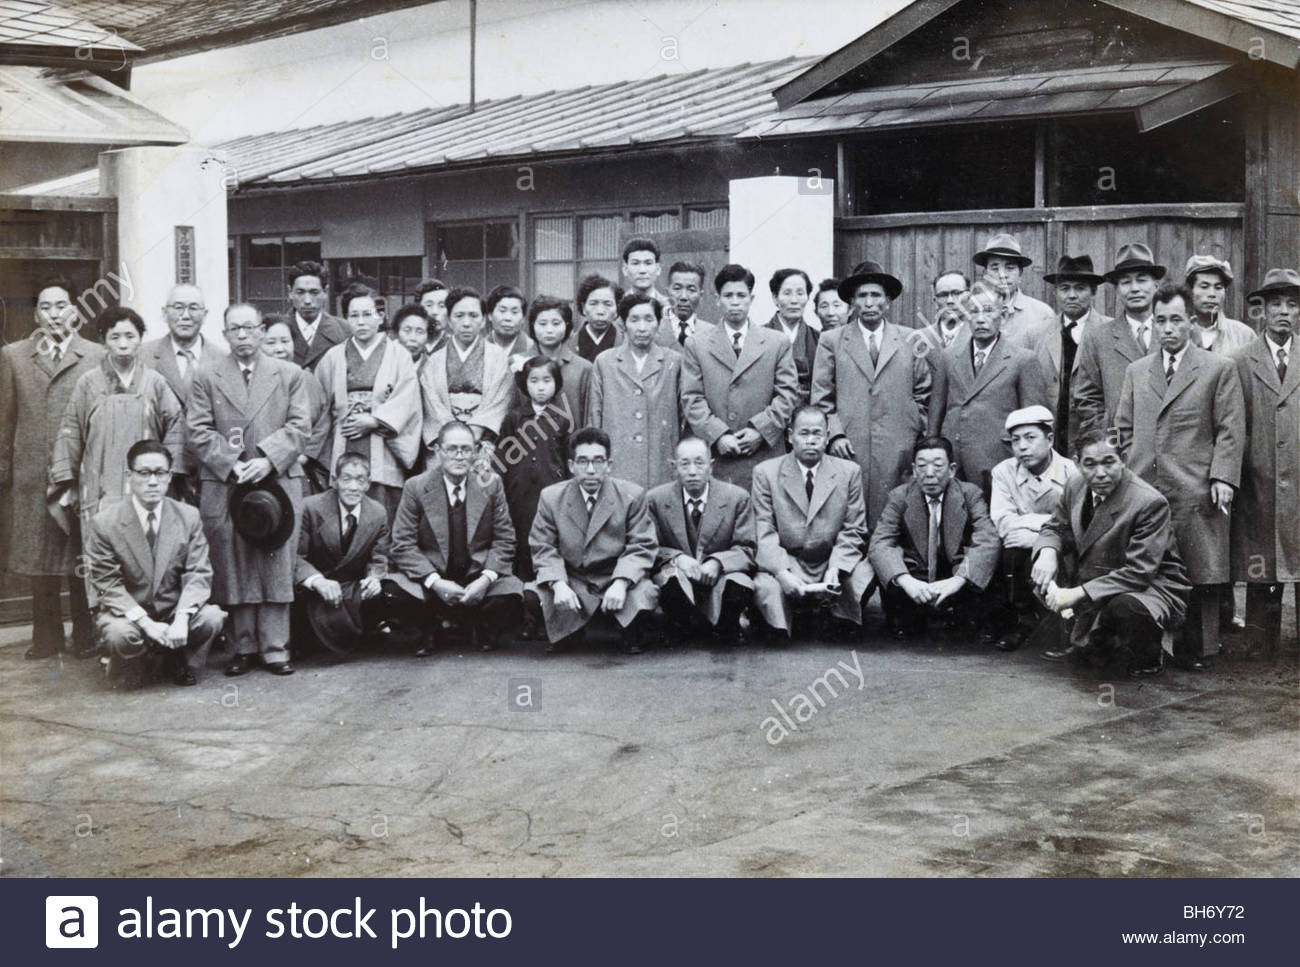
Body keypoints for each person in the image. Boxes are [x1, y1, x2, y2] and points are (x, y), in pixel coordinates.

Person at [1114, 282, 1245, 670]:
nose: (1167, 329)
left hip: (1195, 487)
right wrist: (1125, 477)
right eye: (1160, 322)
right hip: (1146, 488)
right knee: (1148, 565)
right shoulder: (1138, 371)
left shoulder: (1217, 368)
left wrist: (1222, 477)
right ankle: (1149, 646)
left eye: (1175, 320)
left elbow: (1230, 429)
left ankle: (1198, 648)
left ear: (1191, 321)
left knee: (1199, 568)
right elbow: (1122, 428)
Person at [187, 303, 312, 677]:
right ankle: (243, 647)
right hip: (228, 481)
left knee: (274, 561)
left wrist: (269, 459)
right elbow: (197, 430)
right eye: (234, 330)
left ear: (262, 331)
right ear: (224, 334)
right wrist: (232, 461)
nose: (242, 336)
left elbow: (301, 425)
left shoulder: (289, 374)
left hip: (277, 479)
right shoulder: (206, 377)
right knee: (234, 561)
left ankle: (276, 648)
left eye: (249, 328)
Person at [0, 276, 103, 659]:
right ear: (36, 314)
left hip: (78, 474)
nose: (54, 314)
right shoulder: (14, 356)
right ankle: (45, 637)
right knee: (39, 560)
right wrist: (5, 472)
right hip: (31, 475)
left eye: (61, 306)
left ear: (75, 311)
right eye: (46, 307)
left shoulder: (95, 355)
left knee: (81, 556)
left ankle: (86, 633)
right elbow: (5, 419)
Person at [1033, 430, 1190, 676]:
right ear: (1077, 463)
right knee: (1039, 566)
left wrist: (1077, 593)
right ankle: (1089, 639)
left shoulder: (1148, 502)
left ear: (1123, 459)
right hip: (1097, 575)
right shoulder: (1075, 484)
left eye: (1109, 462)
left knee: (1126, 609)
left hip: (1149, 585)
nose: (1101, 473)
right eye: (1090, 464)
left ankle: (1149, 653)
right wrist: (1047, 552)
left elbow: (1139, 572)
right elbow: (1055, 526)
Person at [84, 440, 226, 686]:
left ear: (170, 477)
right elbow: (108, 584)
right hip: (131, 614)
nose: (152, 482)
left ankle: (180, 660)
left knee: (212, 617)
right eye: (144, 473)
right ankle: (135, 665)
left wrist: (181, 619)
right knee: (119, 635)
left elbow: (198, 573)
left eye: (160, 473)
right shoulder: (105, 523)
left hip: (172, 611)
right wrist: (146, 623)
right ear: (129, 475)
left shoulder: (188, 516)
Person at [811, 260, 931, 529]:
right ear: (852, 302)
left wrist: (911, 430)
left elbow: (924, 393)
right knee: (848, 516)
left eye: (875, 295)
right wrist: (835, 434)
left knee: (895, 518)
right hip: (849, 447)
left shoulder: (911, 339)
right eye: (862, 296)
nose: (868, 303)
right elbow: (821, 397)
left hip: (897, 449)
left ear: (887, 301)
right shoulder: (832, 341)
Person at [389, 421, 524, 655]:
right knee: (394, 590)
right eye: (452, 449)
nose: (460, 456)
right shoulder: (416, 487)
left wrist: (485, 580)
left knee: (513, 593)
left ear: (475, 452)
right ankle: (431, 628)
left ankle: (476, 624)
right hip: (431, 580)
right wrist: (434, 582)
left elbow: (505, 540)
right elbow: (402, 544)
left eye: (466, 449)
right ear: (438, 451)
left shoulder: (491, 484)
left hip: (475, 578)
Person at [48, 307, 185, 534]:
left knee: (145, 551)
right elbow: (70, 431)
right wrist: (67, 481)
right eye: (115, 337)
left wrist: (165, 477)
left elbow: (176, 427)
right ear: (103, 341)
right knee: (101, 547)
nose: (123, 344)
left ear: (140, 339)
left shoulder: (155, 382)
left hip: (147, 483)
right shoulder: (88, 383)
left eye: (130, 336)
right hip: (98, 483)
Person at [527, 426, 659, 653]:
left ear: (609, 465)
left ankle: (628, 631)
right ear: (571, 466)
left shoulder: (632, 495)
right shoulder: (551, 497)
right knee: (533, 595)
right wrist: (558, 583)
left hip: (615, 578)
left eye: (598, 461)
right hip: (574, 579)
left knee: (644, 593)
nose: (590, 470)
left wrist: (621, 582)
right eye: (582, 462)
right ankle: (572, 630)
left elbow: (642, 545)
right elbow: (542, 546)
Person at [750, 406, 874, 636]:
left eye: (817, 434)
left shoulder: (849, 472)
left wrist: (836, 567)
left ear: (827, 437)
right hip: (787, 559)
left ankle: (835, 618)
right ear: (790, 436)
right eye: (803, 433)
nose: (810, 441)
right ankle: (787, 618)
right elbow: (762, 530)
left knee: (864, 573)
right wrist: (782, 571)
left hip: (830, 561)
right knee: (765, 585)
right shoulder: (765, 472)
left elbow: (854, 529)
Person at [867, 436, 1000, 640]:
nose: (929, 474)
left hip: (955, 579)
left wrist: (959, 579)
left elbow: (988, 539)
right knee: (904, 626)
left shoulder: (970, 494)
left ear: (952, 469)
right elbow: (880, 543)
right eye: (921, 466)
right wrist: (907, 581)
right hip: (915, 582)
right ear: (913, 469)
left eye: (938, 466)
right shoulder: (899, 496)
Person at [681, 263, 799, 490]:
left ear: (751, 298)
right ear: (717, 299)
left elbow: (787, 395)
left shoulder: (777, 342)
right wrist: (718, 435)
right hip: (719, 455)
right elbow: (692, 398)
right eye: (728, 295)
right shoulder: (697, 344)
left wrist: (760, 431)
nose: (735, 302)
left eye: (741, 295)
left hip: (765, 454)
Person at [1231, 268, 1300, 656]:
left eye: (1292, 305)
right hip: (1259, 477)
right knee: (1262, 558)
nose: (1284, 313)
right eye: (1276, 304)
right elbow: (1233, 423)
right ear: (1262, 310)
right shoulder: (1241, 361)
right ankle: (1260, 637)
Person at [927, 282, 1049, 495]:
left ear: (1002, 315)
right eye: (974, 312)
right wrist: (933, 451)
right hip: (954, 456)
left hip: (998, 458)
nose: (981, 319)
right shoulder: (949, 357)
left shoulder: (1022, 359)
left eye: (988, 311)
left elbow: (1033, 419)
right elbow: (936, 411)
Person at [315, 285, 422, 523]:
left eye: (367, 314)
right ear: (346, 318)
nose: (361, 322)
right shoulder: (333, 356)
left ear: (381, 316)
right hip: (343, 442)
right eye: (354, 315)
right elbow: (319, 405)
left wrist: (374, 420)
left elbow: (408, 398)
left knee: (382, 515)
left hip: (383, 447)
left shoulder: (399, 354)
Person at [646, 436, 759, 640]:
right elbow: (649, 546)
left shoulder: (737, 498)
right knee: (668, 578)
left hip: (720, 577)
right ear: (674, 467)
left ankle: (726, 627)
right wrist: (677, 558)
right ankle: (681, 626)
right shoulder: (656, 499)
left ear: (711, 466)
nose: (692, 471)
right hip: (679, 576)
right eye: (684, 464)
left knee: (739, 583)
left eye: (699, 463)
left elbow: (747, 549)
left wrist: (718, 562)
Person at [987, 406, 1079, 651]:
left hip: (1062, 546)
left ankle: (1065, 617)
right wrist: (1042, 528)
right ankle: (1024, 619)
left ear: (1049, 439)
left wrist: (1037, 536)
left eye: (1030, 438)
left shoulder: (1072, 472)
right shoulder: (1003, 472)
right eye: (1015, 440)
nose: (1022, 447)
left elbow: (1076, 524)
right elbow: (1003, 519)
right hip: (1019, 545)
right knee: (1012, 549)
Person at [294, 454, 400, 656]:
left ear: (368, 484)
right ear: (334, 481)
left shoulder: (377, 513)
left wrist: (374, 577)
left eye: (360, 480)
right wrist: (317, 581)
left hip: (351, 588)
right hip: (316, 587)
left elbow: (380, 556)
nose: (353, 487)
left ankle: (365, 631)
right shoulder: (310, 507)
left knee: (389, 591)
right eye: (346, 479)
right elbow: (295, 557)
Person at [141, 283, 227, 503]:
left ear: (205, 314)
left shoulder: (224, 359)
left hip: (210, 471)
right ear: (164, 313)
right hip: (159, 472)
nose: (185, 315)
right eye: (178, 307)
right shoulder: (143, 357)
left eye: (193, 308)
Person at [587, 292, 680, 490]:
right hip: (618, 465)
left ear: (658, 323)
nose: (642, 328)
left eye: (649, 319)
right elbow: (594, 418)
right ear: (623, 324)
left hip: (661, 466)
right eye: (634, 320)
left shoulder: (673, 361)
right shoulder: (605, 362)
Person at [1073, 242, 1162, 436]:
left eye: (1141, 280)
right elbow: (1087, 399)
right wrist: (1106, 438)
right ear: (1117, 289)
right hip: (1121, 447)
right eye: (1126, 282)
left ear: (1156, 284)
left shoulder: (1174, 333)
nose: (1134, 288)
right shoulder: (1098, 338)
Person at [496, 356, 573, 582]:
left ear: (557, 384)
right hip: (518, 491)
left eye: (547, 381)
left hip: (551, 488)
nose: (540, 387)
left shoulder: (562, 419)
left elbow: (567, 456)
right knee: (520, 535)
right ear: (524, 384)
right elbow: (502, 457)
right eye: (534, 381)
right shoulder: (514, 418)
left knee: (548, 534)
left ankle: (548, 583)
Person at [419, 286, 512, 460]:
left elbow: (500, 401)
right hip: (445, 442)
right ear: (449, 319)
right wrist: (454, 435)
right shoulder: (433, 361)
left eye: (474, 315)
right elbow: (432, 404)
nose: (466, 323)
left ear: (484, 320)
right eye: (459, 316)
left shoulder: (498, 357)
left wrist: (475, 431)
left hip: (483, 442)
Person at [1038, 255, 1109, 456]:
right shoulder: (1037, 334)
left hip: (1093, 443)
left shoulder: (1108, 332)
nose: (1072, 295)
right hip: (1050, 443)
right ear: (1056, 292)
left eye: (1080, 288)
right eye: (1065, 288)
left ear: (1093, 292)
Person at [261, 314, 333, 494]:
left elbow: (322, 426)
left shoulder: (306, 380)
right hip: (259, 464)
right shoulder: (252, 383)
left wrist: (302, 456)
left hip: (299, 467)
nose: (280, 349)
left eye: (285, 341)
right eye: (270, 343)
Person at [973, 233, 1056, 350]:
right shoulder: (971, 312)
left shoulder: (1042, 314)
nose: (1002, 275)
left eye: (1010, 268)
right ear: (985, 274)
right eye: (995, 268)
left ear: (1020, 273)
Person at [524, 295, 591, 423]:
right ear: (532, 326)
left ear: (567, 325)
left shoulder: (584, 368)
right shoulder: (518, 363)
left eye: (556, 323)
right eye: (542, 324)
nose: (549, 330)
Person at [765, 268, 820, 406]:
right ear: (775, 298)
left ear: (807, 297)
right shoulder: (758, 336)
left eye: (800, 293)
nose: (794, 300)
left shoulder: (819, 339)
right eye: (787, 293)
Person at [1185, 255, 1253, 357]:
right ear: (1190, 290)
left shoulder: (1243, 335)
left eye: (1218, 287)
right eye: (1204, 286)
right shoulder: (1177, 332)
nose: (1212, 294)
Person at [287, 260, 348, 371]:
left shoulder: (344, 330)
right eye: (300, 292)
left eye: (314, 292)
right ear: (290, 292)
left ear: (325, 292)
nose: (307, 301)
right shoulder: (276, 330)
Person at [909, 271, 969, 371]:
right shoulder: (920, 338)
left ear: (968, 297)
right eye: (943, 295)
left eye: (957, 293)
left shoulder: (979, 336)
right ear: (935, 301)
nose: (950, 301)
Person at [657, 260, 714, 350]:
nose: (683, 297)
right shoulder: (653, 331)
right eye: (677, 288)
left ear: (701, 295)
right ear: (667, 292)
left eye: (691, 290)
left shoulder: (713, 334)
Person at [572, 274, 624, 362]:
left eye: (608, 304)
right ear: (584, 307)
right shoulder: (569, 344)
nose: (600, 311)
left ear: (617, 309)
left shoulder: (625, 343)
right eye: (593, 303)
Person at [485, 284, 536, 365]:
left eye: (514, 312)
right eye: (502, 311)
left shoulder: (533, 350)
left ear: (523, 318)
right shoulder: (479, 349)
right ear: (490, 315)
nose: (508, 318)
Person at [621, 237, 667, 307]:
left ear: (658, 269)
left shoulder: (669, 307)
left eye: (648, 263)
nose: (642, 270)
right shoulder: (616, 306)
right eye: (635, 263)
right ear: (625, 269)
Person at [393, 304, 432, 370]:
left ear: (428, 336)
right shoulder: (385, 360)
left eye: (420, 332)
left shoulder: (433, 366)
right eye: (407, 331)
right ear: (397, 332)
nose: (413, 338)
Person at [416, 279, 449, 355]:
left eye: (442, 306)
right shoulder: (403, 347)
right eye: (429, 305)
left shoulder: (457, 347)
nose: (435, 312)